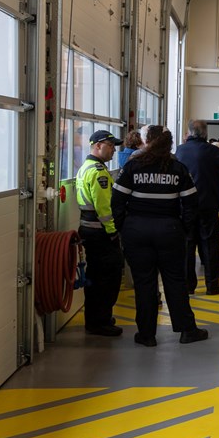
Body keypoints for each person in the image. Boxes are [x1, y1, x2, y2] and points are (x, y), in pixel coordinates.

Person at [112, 124, 208, 346]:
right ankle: (187, 330)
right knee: (175, 281)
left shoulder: (133, 167)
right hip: (169, 231)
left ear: (147, 142)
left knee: (144, 284)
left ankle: (146, 335)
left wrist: (124, 227)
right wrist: (182, 227)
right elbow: (191, 203)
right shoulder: (178, 169)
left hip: (137, 231)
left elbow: (117, 201)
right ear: (169, 144)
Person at [174, 120, 219, 295]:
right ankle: (212, 286)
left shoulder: (180, 151)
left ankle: (188, 286)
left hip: (186, 206)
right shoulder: (212, 151)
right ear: (205, 134)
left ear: (189, 133)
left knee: (188, 247)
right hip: (208, 206)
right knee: (210, 246)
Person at [75, 129, 124, 337]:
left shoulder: (86, 167)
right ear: (97, 146)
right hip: (101, 233)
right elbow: (105, 209)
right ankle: (100, 322)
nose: (114, 150)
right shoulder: (98, 173)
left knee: (96, 276)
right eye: (110, 145)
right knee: (108, 278)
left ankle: (96, 318)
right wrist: (114, 233)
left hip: (90, 230)